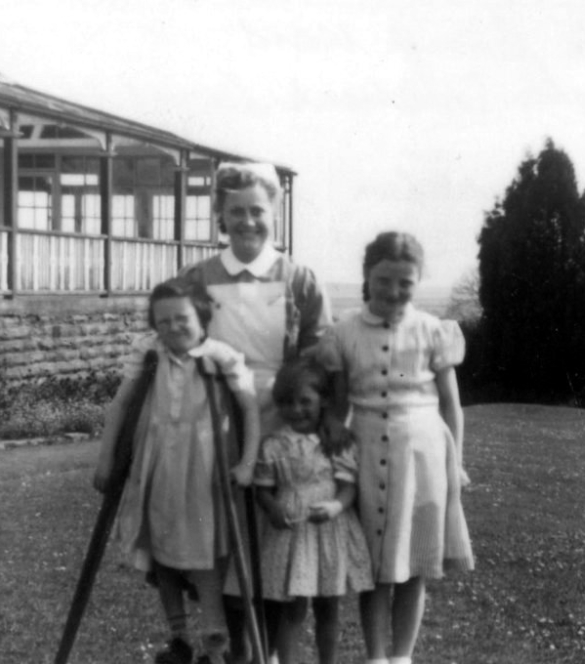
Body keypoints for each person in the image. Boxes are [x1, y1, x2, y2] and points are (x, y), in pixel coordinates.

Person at [179, 161, 332, 662]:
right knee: (229, 548)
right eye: (236, 211)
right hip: (213, 426)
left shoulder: (299, 279)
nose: (248, 221)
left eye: (258, 211)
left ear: (276, 215)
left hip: (282, 427)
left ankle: (275, 653)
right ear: (220, 216)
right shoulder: (196, 278)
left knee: (280, 552)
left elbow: (318, 360)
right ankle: (237, 651)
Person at [318, 231, 474, 664]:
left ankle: (401, 656)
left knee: (413, 565)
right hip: (366, 454)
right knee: (373, 569)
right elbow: (337, 401)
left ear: (418, 281)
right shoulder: (344, 332)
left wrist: (455, 465)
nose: (394, 291)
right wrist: (332, 429)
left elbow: (451, 405)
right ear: (368, 275)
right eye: (384, 280)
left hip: (421, 456)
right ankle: (376, 657)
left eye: (405, 283)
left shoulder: (432, 331)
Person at [93, 279, 261, 664]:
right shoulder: (150, 351)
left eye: (181, 319)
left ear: (201, 317)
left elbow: (249, 409)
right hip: (156, 465)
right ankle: (179, 636)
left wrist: (248, 462)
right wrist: (106, 458)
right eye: (162, 321)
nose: (172, 328)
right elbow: (120, 404)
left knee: (203, 553)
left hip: (203, 470)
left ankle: (214, 641)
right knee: (160, 551)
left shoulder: (220, 356)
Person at [254, 359, 373, 664]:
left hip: (328, 530)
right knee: (292, 607)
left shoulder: (336, 441)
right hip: (291, 531)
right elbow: (262, 489)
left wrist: (335, 506)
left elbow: (348, 488)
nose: (296, 409)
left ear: (324, 400)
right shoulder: (273, 445)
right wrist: (272, 508)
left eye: (305, 401)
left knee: (328, 607)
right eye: (287, 403)